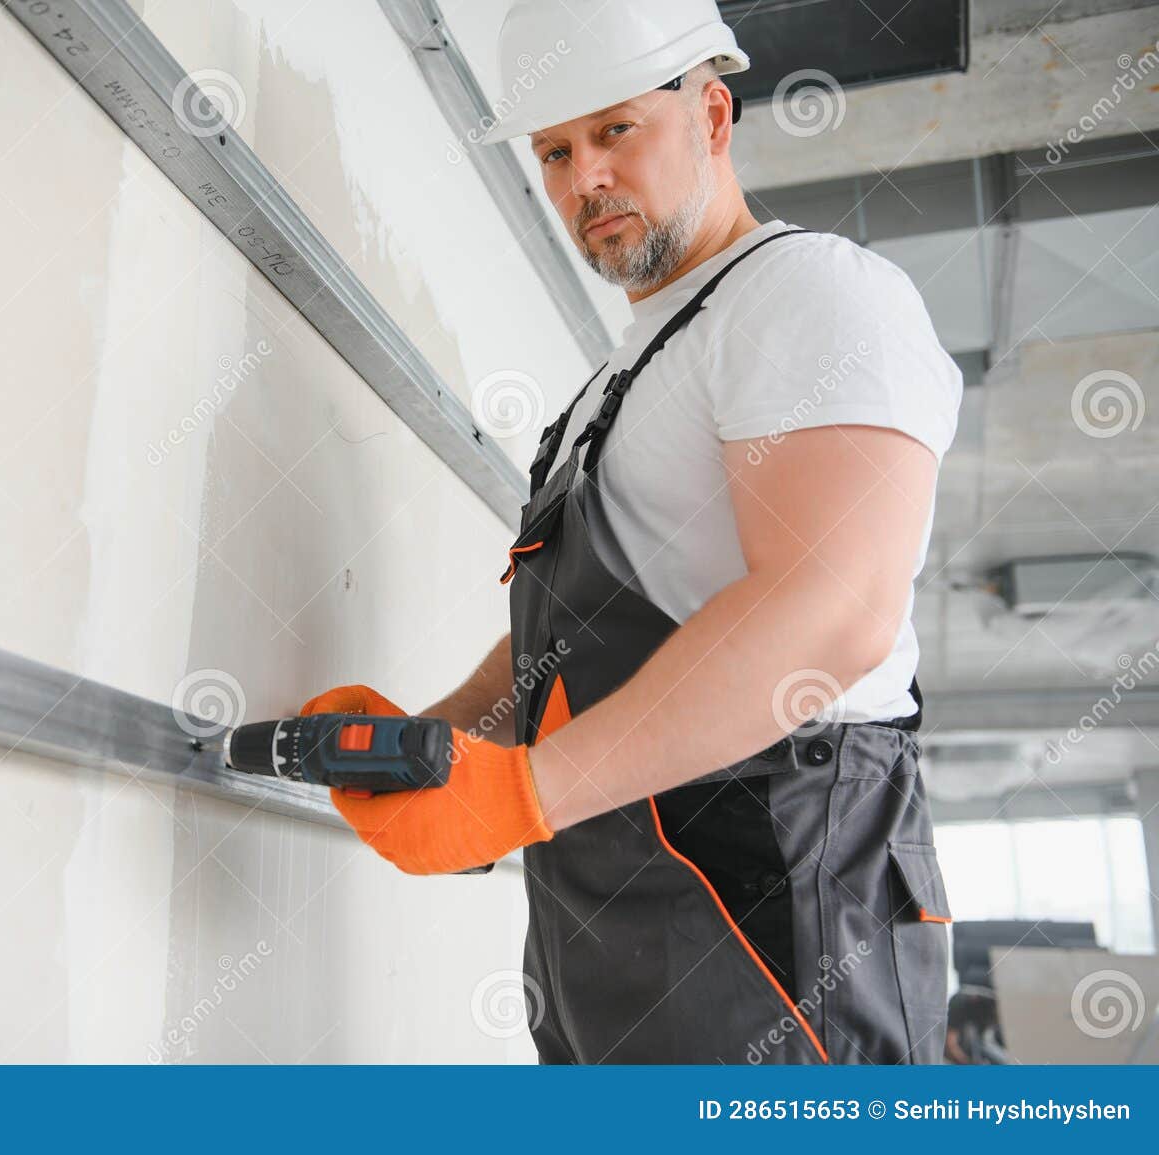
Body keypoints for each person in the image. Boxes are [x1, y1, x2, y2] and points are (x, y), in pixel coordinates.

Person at [301, 0, 962, 1063]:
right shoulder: (623, 376)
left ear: (710, 115)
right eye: (554, 150)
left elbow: (830, 608)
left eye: (614, 130)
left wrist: (517, 792)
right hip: (609, 909)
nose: (581, 180)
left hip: (781, 893)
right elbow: (599, 622)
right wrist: (446, 745)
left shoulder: (810, 297)